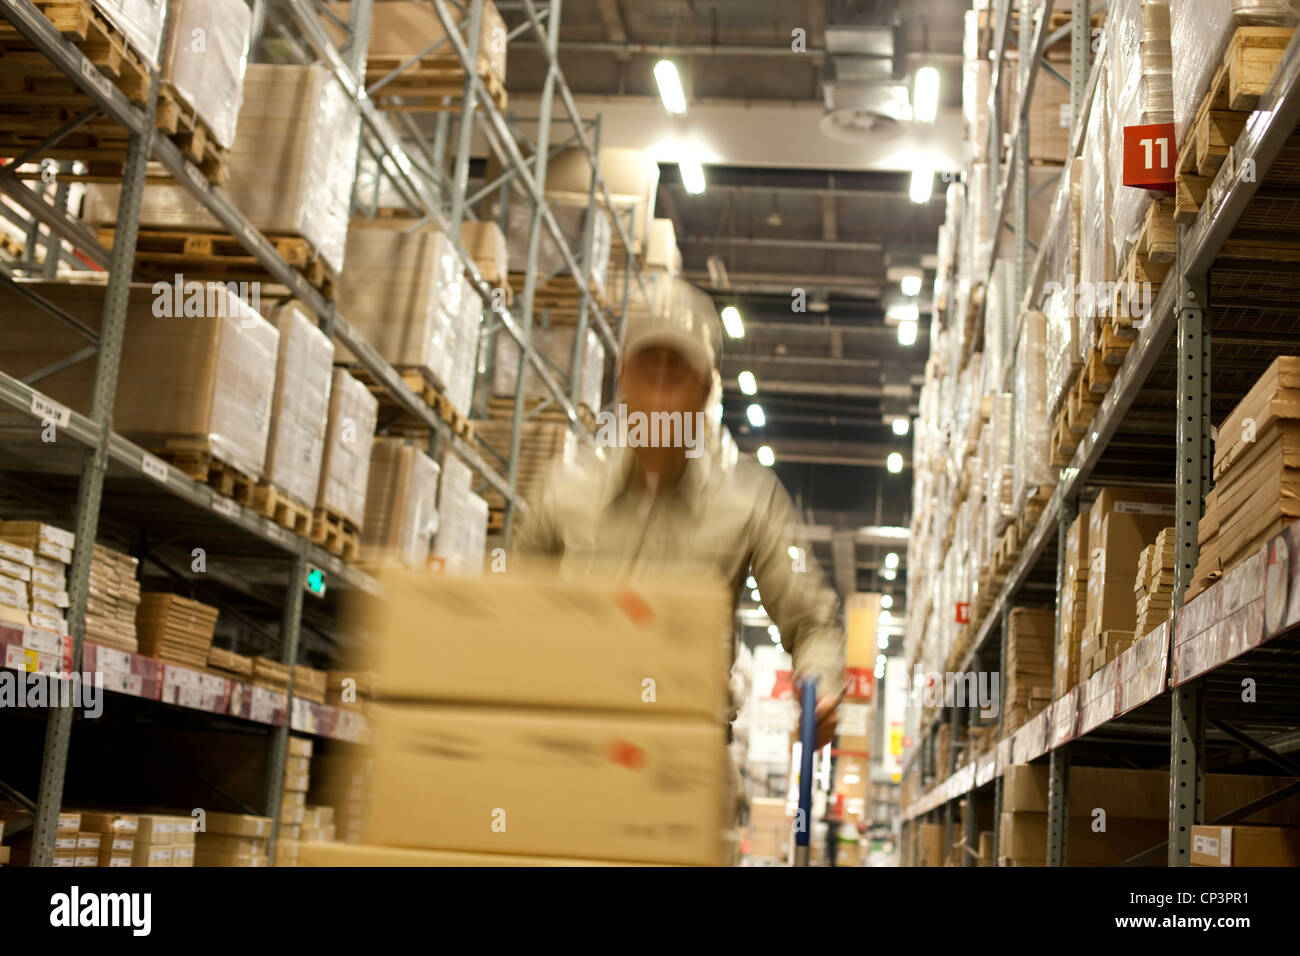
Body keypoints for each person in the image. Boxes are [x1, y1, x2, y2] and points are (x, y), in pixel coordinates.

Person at [512, 298, 846, 750]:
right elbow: (510, 605)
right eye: (650, 359)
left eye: (680, 363)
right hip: (570, 746)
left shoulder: (750, 501)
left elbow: (812, 622)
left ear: (707, 388)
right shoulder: (565, 491)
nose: (664, 371)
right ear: (623, 378)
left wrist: (818, 686)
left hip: (686, 758)